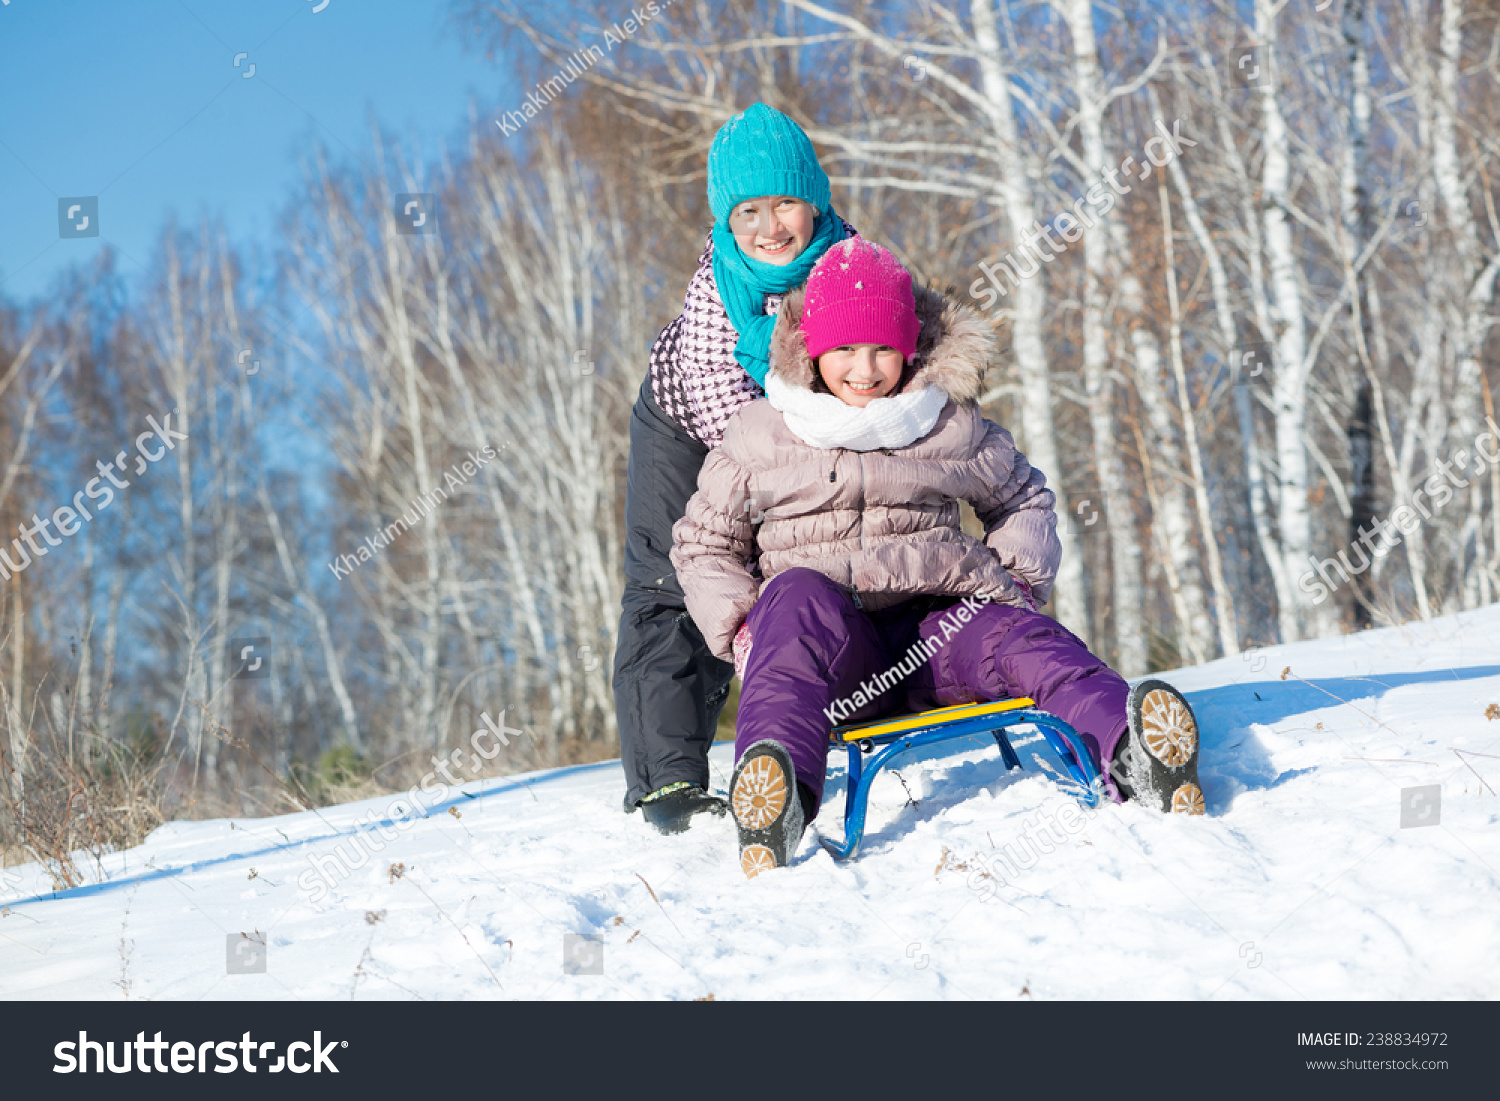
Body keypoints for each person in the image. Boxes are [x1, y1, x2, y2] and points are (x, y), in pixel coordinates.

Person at [671, 239, 1204, 877]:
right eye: (844, 348)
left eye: (882, 349)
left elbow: (1024, 498)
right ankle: (776, 800)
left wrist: (1015, 581)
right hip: (836, 653)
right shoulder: (765, 432)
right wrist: (744, 629)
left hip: (943, 632)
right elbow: (703, 545)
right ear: (811, 351)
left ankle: (1131, 751)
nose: (864, 369)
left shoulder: (946, 424)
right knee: (793, 600)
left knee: (1020, 637)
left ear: (910, 348)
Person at [615, 103, 858, 833]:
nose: (769, 226)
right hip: (689, 425)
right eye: (747, 210)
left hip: (809, 425)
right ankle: (668, 779)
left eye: (785, 202)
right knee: (678, 577)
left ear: (814, 201)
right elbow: (746, 446)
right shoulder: (715, 304)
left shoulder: (853, 266)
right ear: (727, 220)